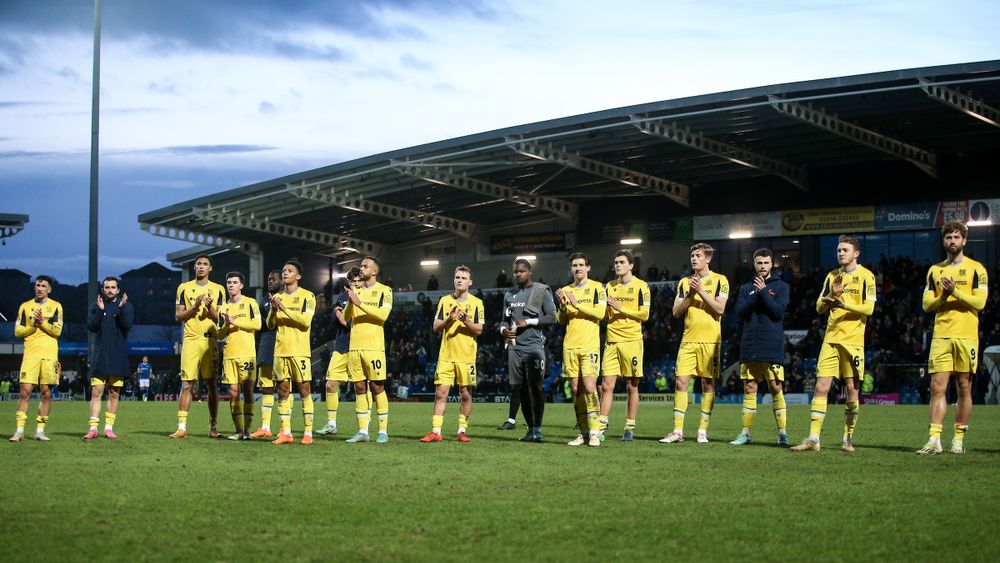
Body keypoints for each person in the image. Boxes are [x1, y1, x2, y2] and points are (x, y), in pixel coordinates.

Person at [791, 235, 876, 453]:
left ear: (856, 253)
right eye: (839, 250)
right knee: (821, 387)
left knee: (851, 389)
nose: (840, 253)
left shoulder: (867, 276)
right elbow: (819, 308)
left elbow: (869, 309)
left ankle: (847, 439)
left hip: (853, 342)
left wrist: (844, 303)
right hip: (830, 339)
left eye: (845, 250)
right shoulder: (832, 276)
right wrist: (831, 295)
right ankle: (813, 438)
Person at [917, 222, 988, 454]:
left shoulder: (977, 269)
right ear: (944, 241)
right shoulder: (934, 271)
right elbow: (927, 305)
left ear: (964, 241)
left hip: (966, 336)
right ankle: (934, 440)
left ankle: (958, 439)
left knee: (964, 387)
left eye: (957, 237)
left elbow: (980, 302)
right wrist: (944, 297)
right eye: (949, 237)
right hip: (941, 336)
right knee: (937, 387)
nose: (953, 241)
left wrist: (954, 292)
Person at [661, 243, 729, 444]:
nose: (694, 258)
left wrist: (700, 291)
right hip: (688, 340)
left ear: (708, 259)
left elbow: (720, 309)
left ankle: (702, 431)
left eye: (698, 255)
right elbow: (675, 312)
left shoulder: (720, 280)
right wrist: (691, 294)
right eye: (692, 255)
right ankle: (678, 431)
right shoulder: (684, 283)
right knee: (681, 382)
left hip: (710, 341)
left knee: (708, 384)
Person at [728, 249, 791, 446]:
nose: (762, 266)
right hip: (750, 344)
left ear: (772, 264)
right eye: (759, 263)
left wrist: (763, 291)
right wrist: (756, 293)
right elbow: (739, 312)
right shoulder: (746, 288)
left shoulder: (781, 287)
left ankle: (782, 433)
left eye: (766, 263)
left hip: (771, 345)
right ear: (754, 265)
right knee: (749, 387)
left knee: (775, 387)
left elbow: (777, 312)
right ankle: (745, 433)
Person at [421, 266, 485, 443]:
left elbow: (479, 330)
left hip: (466, 357)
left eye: (464, 278)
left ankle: (462, 430)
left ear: (470, 282)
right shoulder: (444, 301)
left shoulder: (477, 303)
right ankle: (435, 431)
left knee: (465, 394)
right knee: (441, 393)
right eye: (457, 277)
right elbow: (435, 327)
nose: (460, 280)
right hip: (446, 356)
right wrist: (449, 319)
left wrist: (465, 320)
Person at [500, 258, 557, 442]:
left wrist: (529, 322)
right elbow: (503, 320)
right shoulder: (509, 294)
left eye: (522, 271)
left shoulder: (541, 290)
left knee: (536, 387)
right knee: (520, 388)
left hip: (534, 347)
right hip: (514, 348)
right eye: (516, 271)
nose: (518, 274)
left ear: (529, 272)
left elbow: (552, 317)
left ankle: (538, 429)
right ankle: (530, 429)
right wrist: (504, 331)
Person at [170, 255, 225, 439]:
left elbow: (220, 319)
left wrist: (209, 308)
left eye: (205, 264)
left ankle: (213, 427)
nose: (201, 267)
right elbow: (179, 316)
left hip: (210, 341)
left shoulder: (218, 289)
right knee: (187, 384)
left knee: (211, 385)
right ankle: (181, 427)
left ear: (210, 268)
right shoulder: (183, 288)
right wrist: (195, 306)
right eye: (199, 264)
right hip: (191, 340)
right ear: (194, 267)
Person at [556, 252, 607, 447]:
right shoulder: (566, 290)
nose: (577, 268)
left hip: (589, 345)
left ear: (588, 267)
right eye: (574, 266)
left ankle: (595, 432)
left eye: (581, 265)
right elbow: (561, 320)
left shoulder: (597, 288)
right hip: (570, 345)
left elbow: (600, 313)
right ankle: (583, 432)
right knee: (576, 390)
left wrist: (576, 305)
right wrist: (562, 305)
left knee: (590, 387)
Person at [600, 249, 650, 442]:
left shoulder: (641, 287)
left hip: (631, 341)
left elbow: (644, 315)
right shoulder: (609, 287)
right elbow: (605, 314)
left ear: (631, 265)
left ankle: (629, 427)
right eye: (616, 262)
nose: (618, 265)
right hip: (612, 340)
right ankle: (601, 426)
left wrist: (620, 307)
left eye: (621, 262)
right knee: (606, 386)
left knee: (631, 386)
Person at [344, 256, 394, 443]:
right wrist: (351, 299)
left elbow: (383, 315)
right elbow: (348, 317)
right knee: (359, 387)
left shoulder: (385, 291)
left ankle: (383, 431)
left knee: (377, 387)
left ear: (374, 271)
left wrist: (359, 302)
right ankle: (363, 431)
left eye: (365, 266)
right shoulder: (356, 291)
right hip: (355, 346)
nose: (361, 268)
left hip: (374, 348)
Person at [267, 260, 316, 445]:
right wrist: (273, 310)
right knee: (283, 391)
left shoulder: (307, 296)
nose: (285, 273)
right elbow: (270, 324)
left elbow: (304, 321)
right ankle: (286, 432)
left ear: (298, 276)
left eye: (289, 271)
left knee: (304, 390)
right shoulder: (278, 297)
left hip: (300, 351)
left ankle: (308, 432)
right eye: (284, 271)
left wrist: (283, 308)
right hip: (280, 351)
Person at [10, 275, 63, 442]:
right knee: (25, 391)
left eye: (43, 286)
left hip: (49, 356)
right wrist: (33, 325)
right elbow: (17, 331)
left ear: (49, 289)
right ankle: (19, 431)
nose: (39, 288)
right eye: (37, 285)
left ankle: (40, 431)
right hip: (31, 355)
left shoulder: (56, 307)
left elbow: (57, 331)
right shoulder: (25, 307)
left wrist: (42, 323)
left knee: (46, 393)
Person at [83, 276, 134, 440]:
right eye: (107, 287)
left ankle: (109, 428)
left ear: (118, 290)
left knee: (114, 393)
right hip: (100, 356)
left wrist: (120, 309)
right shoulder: (95, 306)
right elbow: (91, 326)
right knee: (96, 392)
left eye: (113, 287)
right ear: (102, 289)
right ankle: (93, 428)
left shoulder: (126, 306)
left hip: (118, 356)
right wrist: (100, 310)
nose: (110, 290)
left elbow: (127, 325)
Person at [317, 269, 364, 436]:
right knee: (330, 384)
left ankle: (363, 428)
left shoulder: (367, 297)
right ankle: (331, 424)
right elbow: (333, 325)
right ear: (348, 282)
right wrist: (334, 314)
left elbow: (363, 324)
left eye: (358, 280)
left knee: (360, 387)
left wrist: (345, 321)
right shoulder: (342, 298)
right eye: (353, 281)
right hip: (342, 346)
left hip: (359, 347)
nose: (356, 283)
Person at [218, 272, 261, 441]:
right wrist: (226, 325)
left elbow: (257, 324)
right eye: (229, 282)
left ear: (241, 285)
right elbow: (220, 335)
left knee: (248, 391)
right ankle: (238, 430)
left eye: (235, 282)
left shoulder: (250, 303)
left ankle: (248, 431)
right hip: (229, 355)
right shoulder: (223, 308)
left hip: (247, 354)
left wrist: (235, 322)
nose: (231, 285)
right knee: (233, 392)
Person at [251, 270, 282, 438]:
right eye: (269, 279)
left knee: (285, 388)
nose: (270, 281)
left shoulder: (287, 298)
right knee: (267, 387)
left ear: (281, 282)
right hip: (266, 344)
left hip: (284, 346)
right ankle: (265, 427)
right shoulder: (263, 301)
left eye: (274, 279)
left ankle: (285, 428)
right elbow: (265, 325)